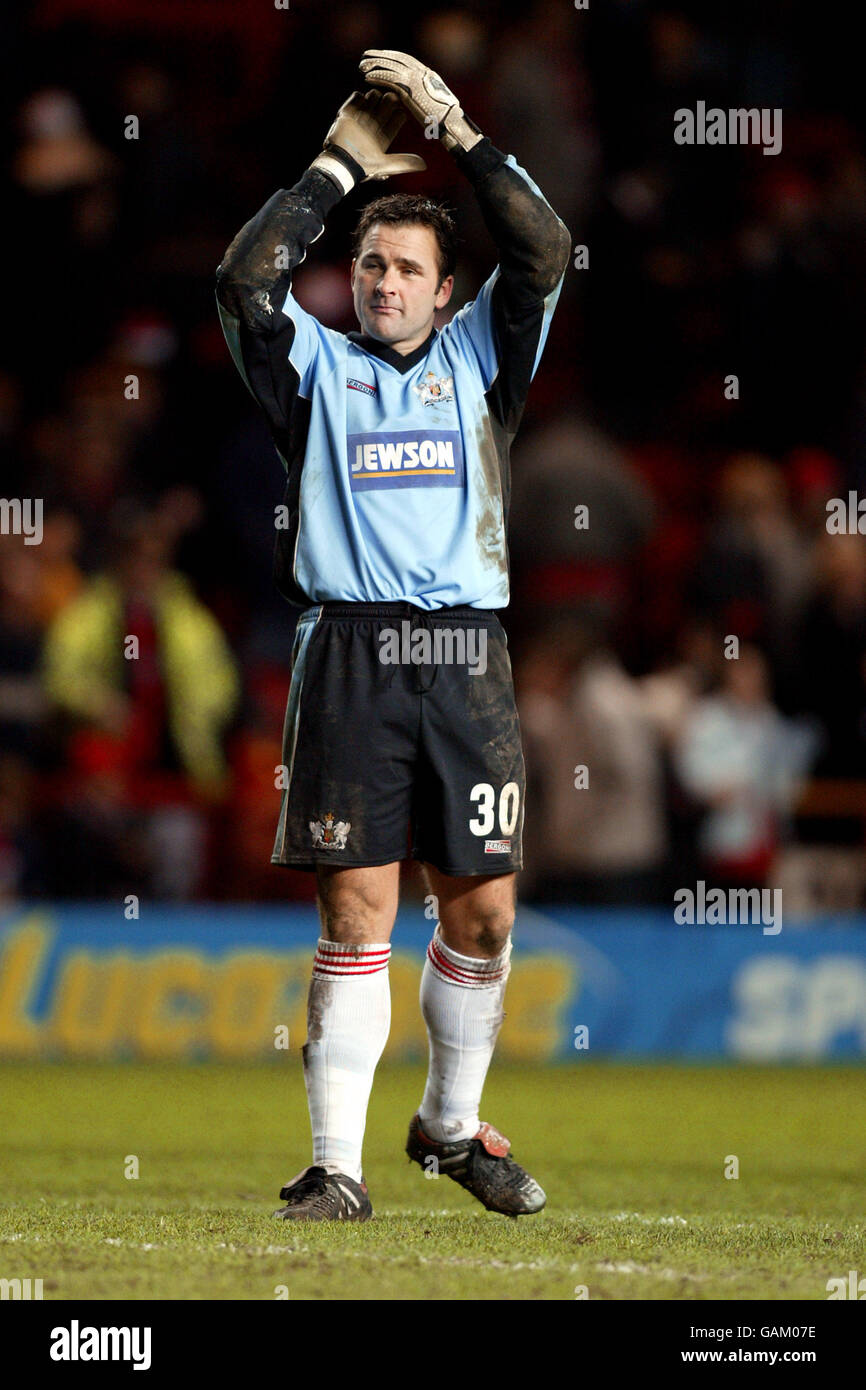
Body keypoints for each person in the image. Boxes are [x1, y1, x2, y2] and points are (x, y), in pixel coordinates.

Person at [216, 49, 570, 1221]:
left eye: (405, 266)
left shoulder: (482, 360)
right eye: (367, 262)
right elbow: (243, 282)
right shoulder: (312, 370)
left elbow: (545, 250)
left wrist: (458, 135)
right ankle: (337, 1167)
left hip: (466, 657)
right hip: (352, 654)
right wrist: (336, 167)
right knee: (357, 911)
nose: (380, 280)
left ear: (440, 288)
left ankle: (446, 1126)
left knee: (483, 915)